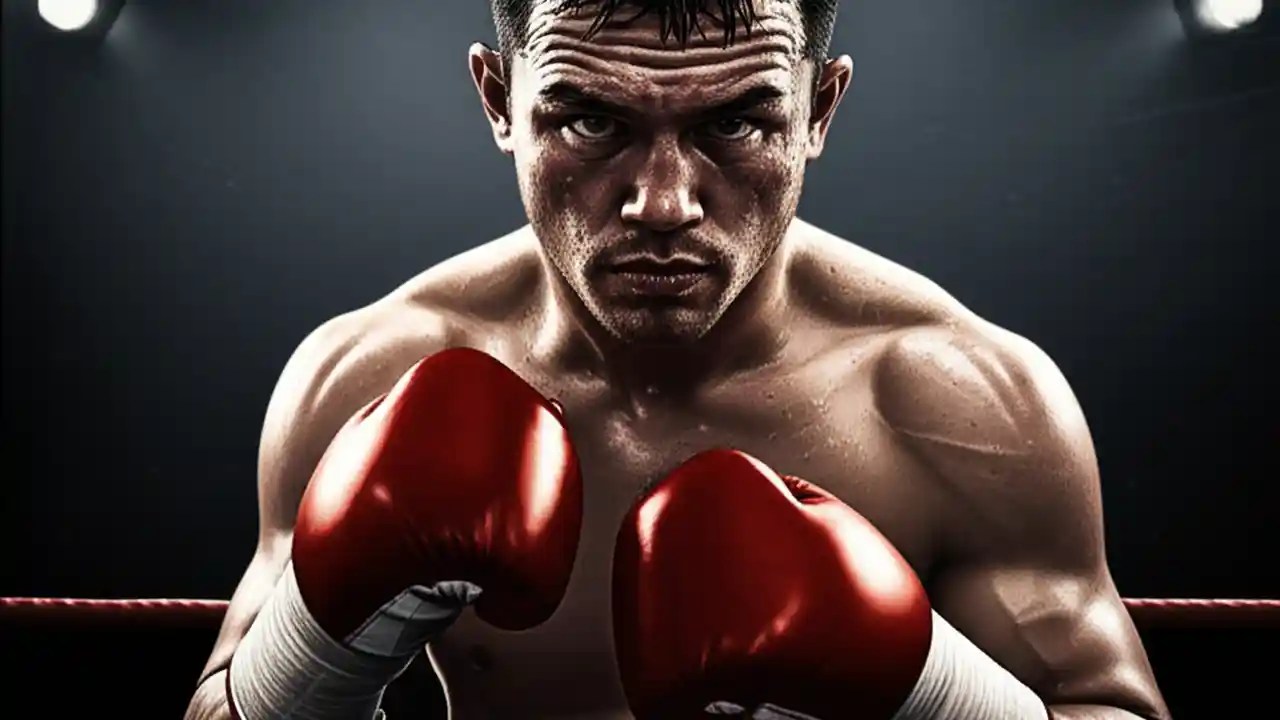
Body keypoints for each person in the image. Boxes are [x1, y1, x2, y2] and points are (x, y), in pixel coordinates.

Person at [183, 1, 1171, 718]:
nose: (661, 203)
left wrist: (924, 689)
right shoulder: (368, 375)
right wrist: (316, 659)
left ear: (817, 111)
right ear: (497, 96)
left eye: (732, 123)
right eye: (589, 120)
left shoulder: (957, 403)